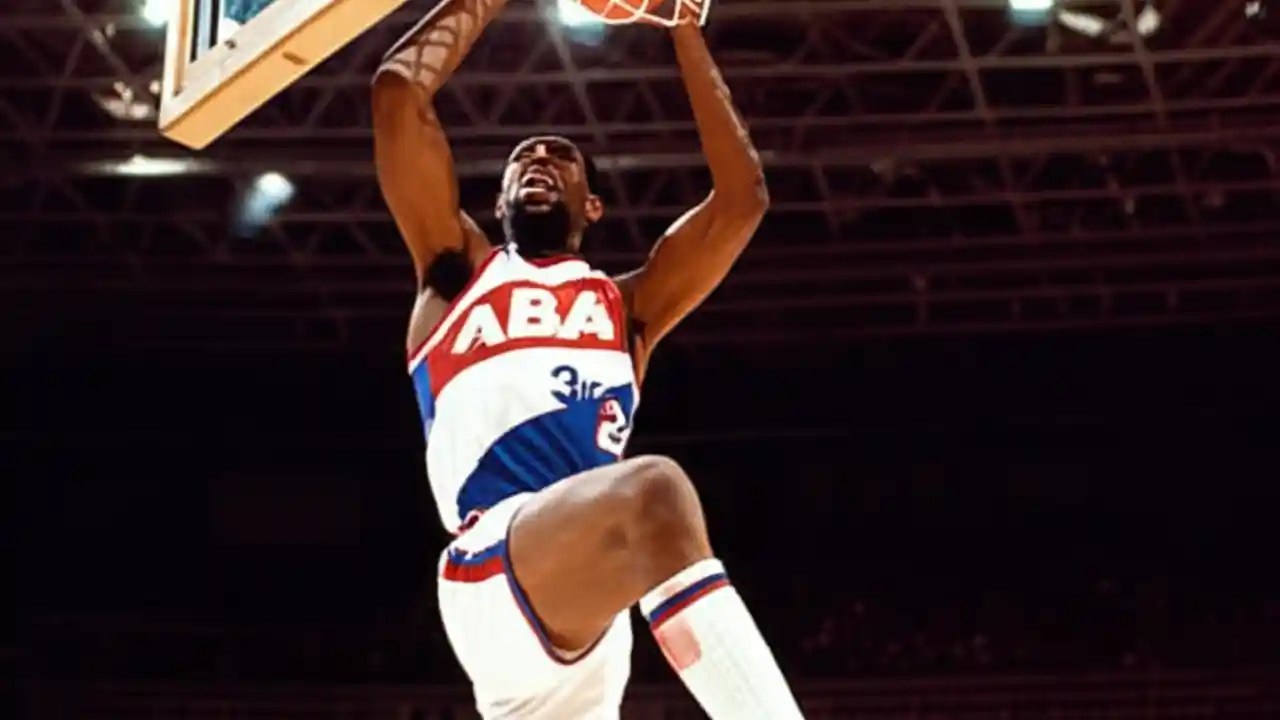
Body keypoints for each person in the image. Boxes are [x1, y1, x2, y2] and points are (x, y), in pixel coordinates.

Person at [372, 0, 805, 717]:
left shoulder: (628, 309)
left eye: (561, 156)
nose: (539, 158)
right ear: (499, 200)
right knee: (655, 493)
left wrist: (684, 27)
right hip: (493, 568)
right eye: (523, 157)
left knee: (641, 507)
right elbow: (397, 92)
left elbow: (742, 201)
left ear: (593, 205)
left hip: (591, 607)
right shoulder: (455, 273)